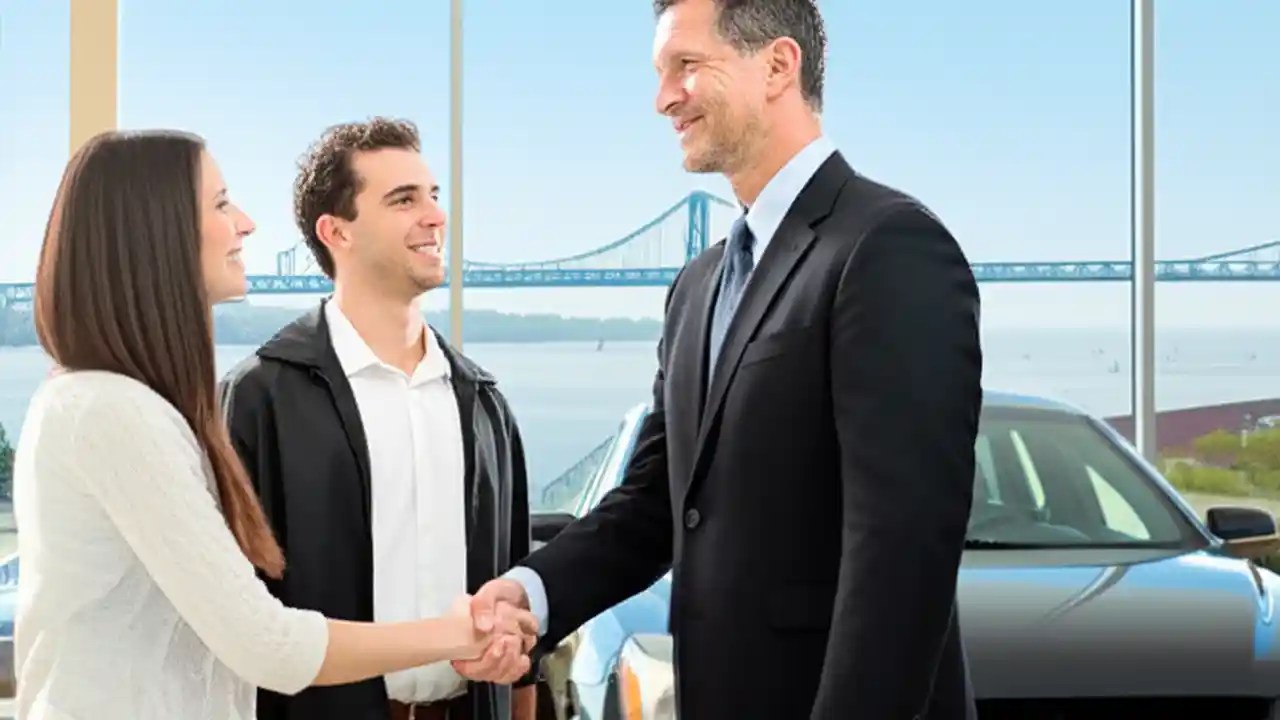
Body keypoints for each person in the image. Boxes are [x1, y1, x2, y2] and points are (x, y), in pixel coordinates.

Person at [461, 0, 984, 718]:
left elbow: (903, 547)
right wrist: (532, 591)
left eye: (686, 66)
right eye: (659, 73)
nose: (662, 99)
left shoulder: (888, 249)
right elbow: (655, 504)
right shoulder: (698, 286)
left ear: (777, 66)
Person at [11, 129, 537, 720]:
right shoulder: (121, 412)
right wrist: (461, 633)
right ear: (154, 232)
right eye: (219, 203)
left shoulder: (482, 399)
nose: (246, 223)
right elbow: (265, 641)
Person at [218, 117, 539, 720]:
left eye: (434, 197)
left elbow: (518, 596)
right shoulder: (258, 398)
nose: (435, 217)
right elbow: (236, 621)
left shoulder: (484, 401)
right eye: (403, 200)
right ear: (336, 231)